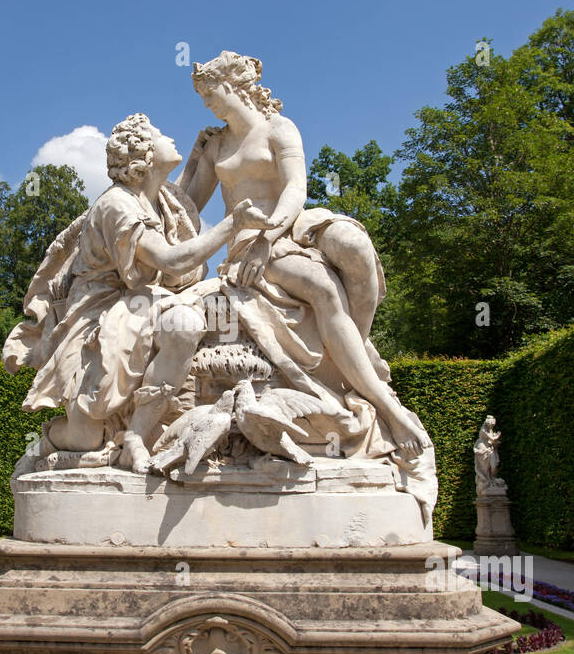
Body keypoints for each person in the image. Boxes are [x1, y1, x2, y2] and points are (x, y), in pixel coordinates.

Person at [180, 51, 431, 455]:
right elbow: (184, 208)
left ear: (231, 86)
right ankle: (385, 404)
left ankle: (354, 354)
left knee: (353, 246)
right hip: (247, 241)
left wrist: (271, 236)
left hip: (287, 225)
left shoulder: (279, 129)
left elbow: (297, 187)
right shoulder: (215, 147)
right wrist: (192, 160)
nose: (206, 103)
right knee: (322, 286)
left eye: (209, 93)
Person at [3, 112, 274, 471]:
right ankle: (46, 444)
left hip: (144, 302)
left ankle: (135, 437)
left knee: (184, 325)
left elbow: (187, 200)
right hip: (99, 315)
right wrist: (233, 224)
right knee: (84, 437)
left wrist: (197, 155)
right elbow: (171, 260)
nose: (170, 137)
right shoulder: (117, 204)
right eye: (161, 134)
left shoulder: (159, 198)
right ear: (144, 156)